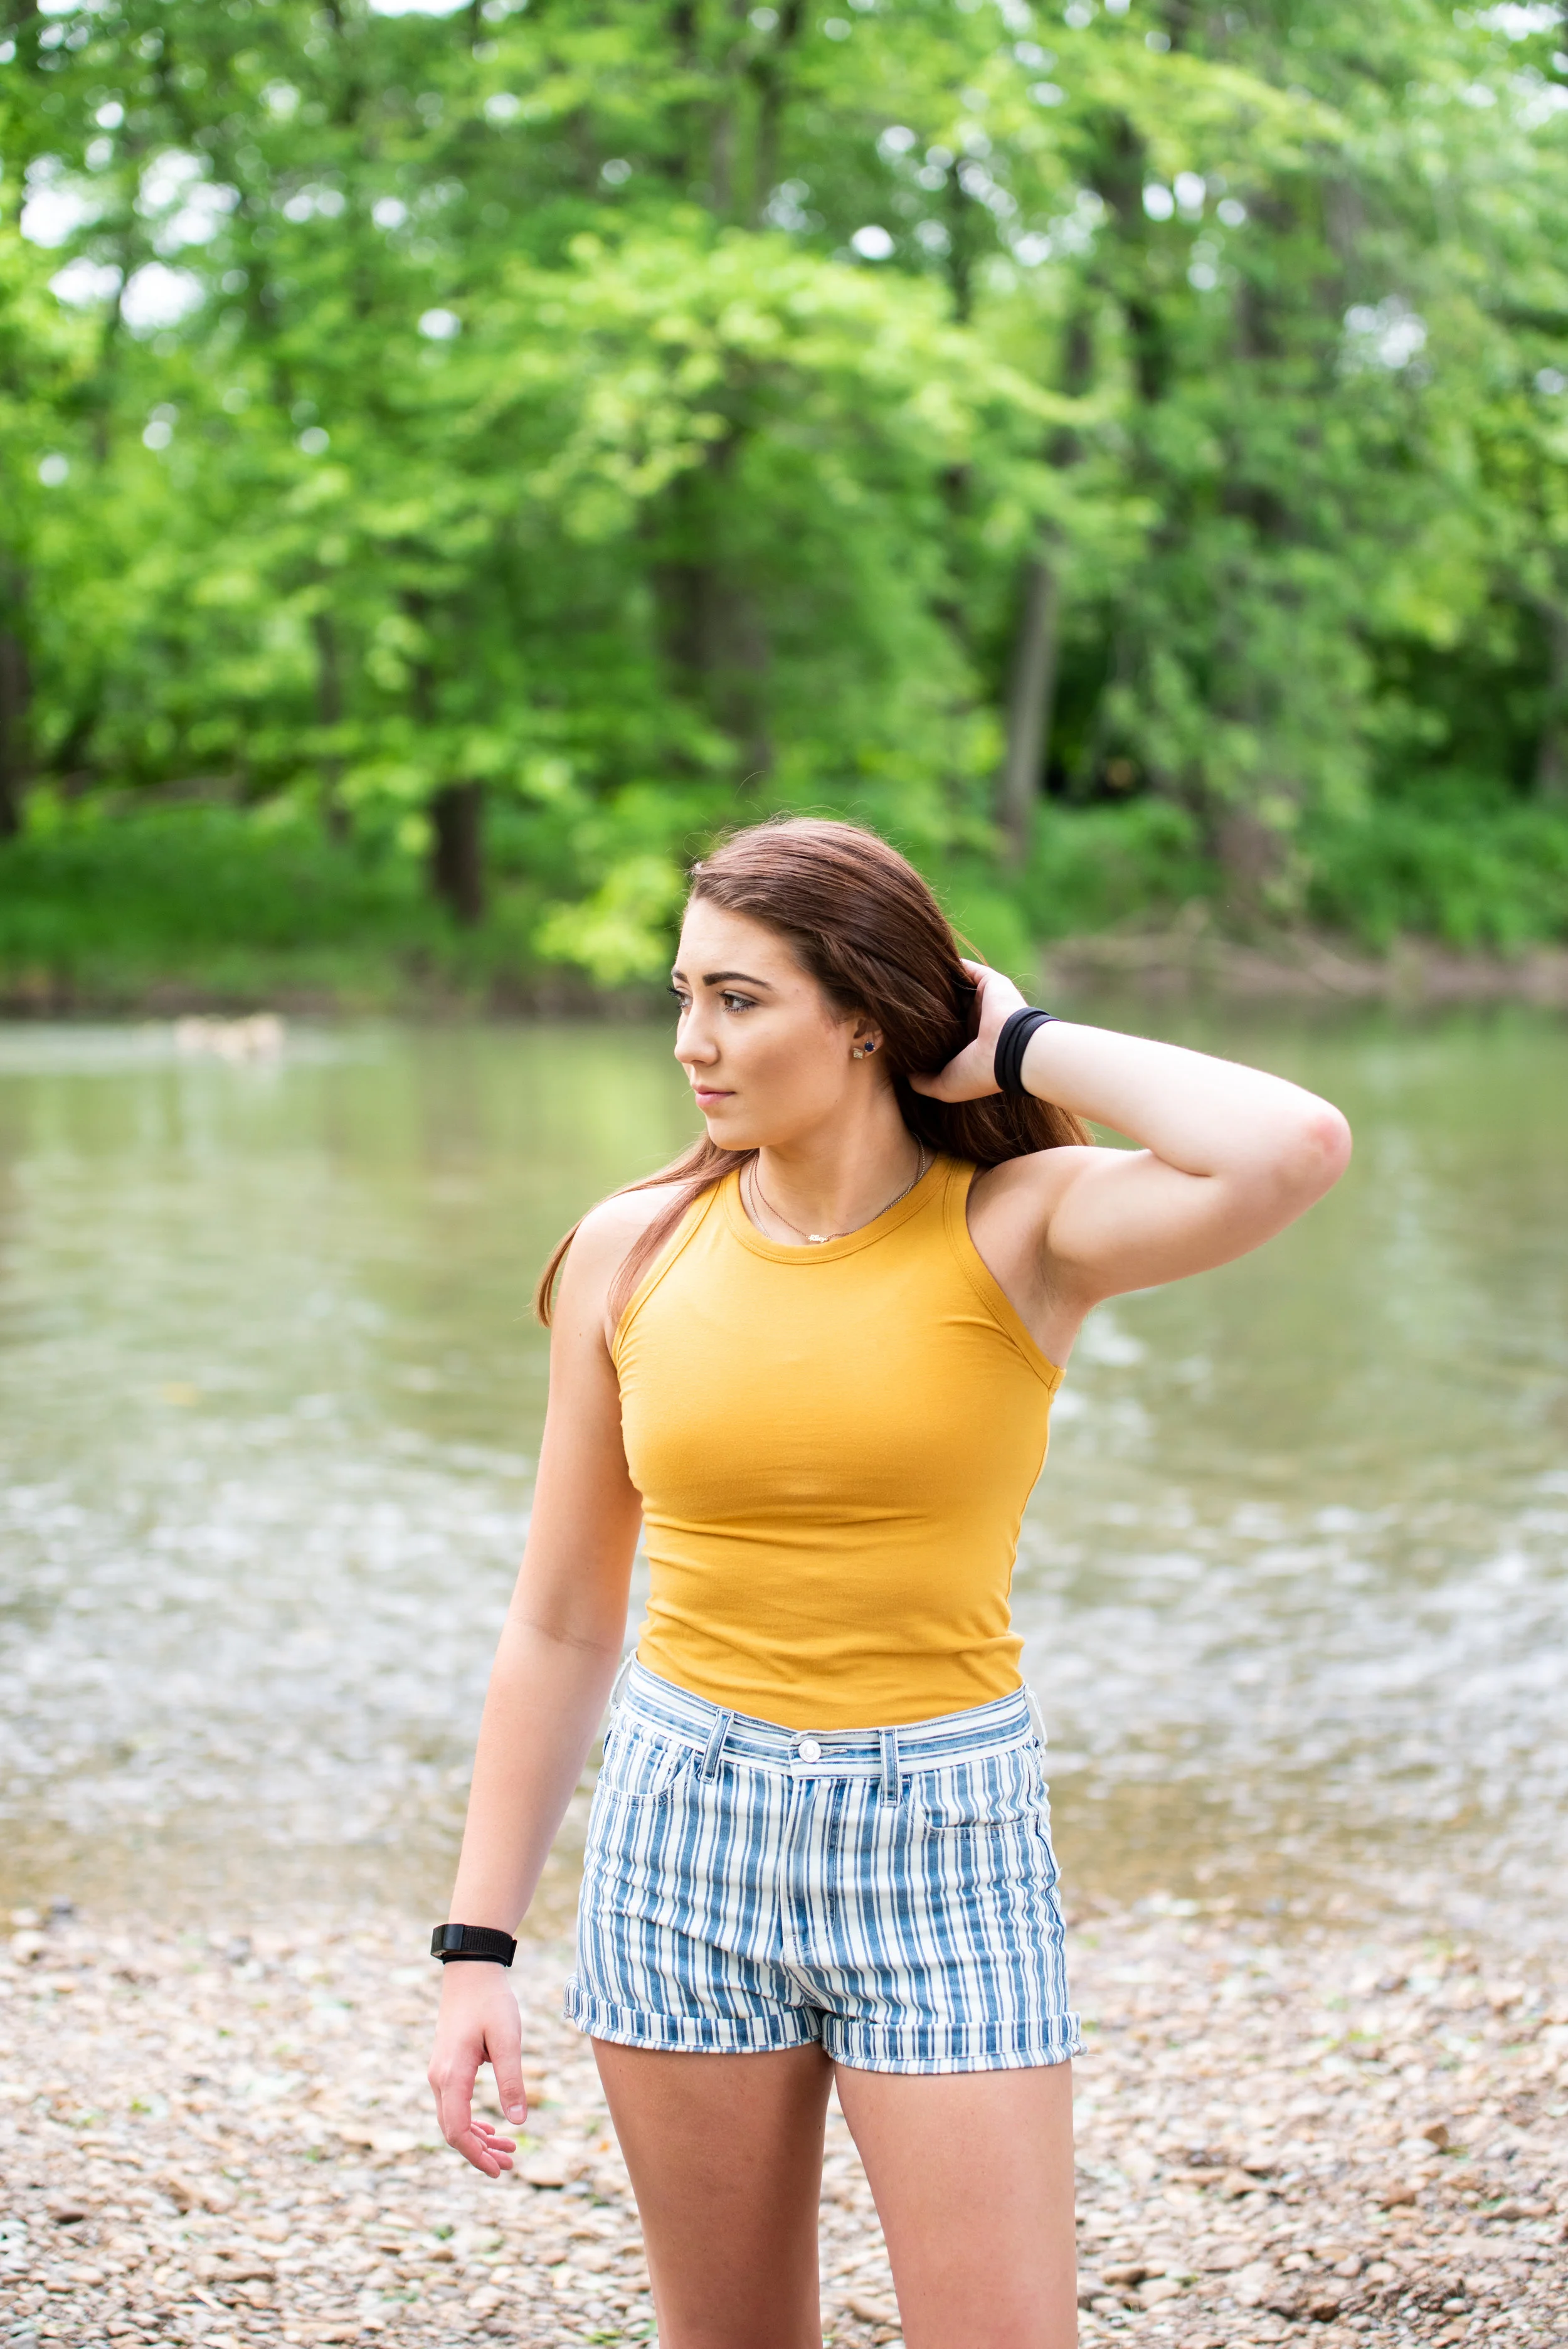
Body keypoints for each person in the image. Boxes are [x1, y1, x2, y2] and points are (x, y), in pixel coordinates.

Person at [425, 816, 1352, 2349]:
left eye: (737, 1000)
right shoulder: (628, 1251)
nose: (689, 1043)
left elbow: (1290, 1145)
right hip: (681, 1837)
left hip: (945, 1841)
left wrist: (1022, 1042)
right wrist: (475, 1948)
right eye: (680, 995)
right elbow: (562, 1619)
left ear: (862, 1016)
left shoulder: (1021, 1231)